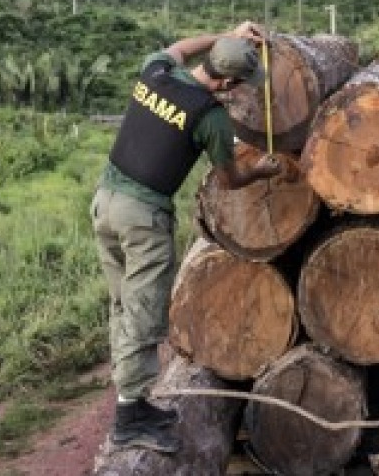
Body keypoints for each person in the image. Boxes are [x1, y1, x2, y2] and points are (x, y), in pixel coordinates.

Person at [91, 22, 281, 453]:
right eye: (240, 83)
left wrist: (224, 37)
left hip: (105, 201)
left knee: (124, 303)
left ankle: (131, 398)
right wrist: (263, 171)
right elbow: (231, 179)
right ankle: (129, 418)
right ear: (229, 80)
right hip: (142, 217)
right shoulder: (209, 116)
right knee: (144, 311)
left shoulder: (157, 72)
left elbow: (178, 47)